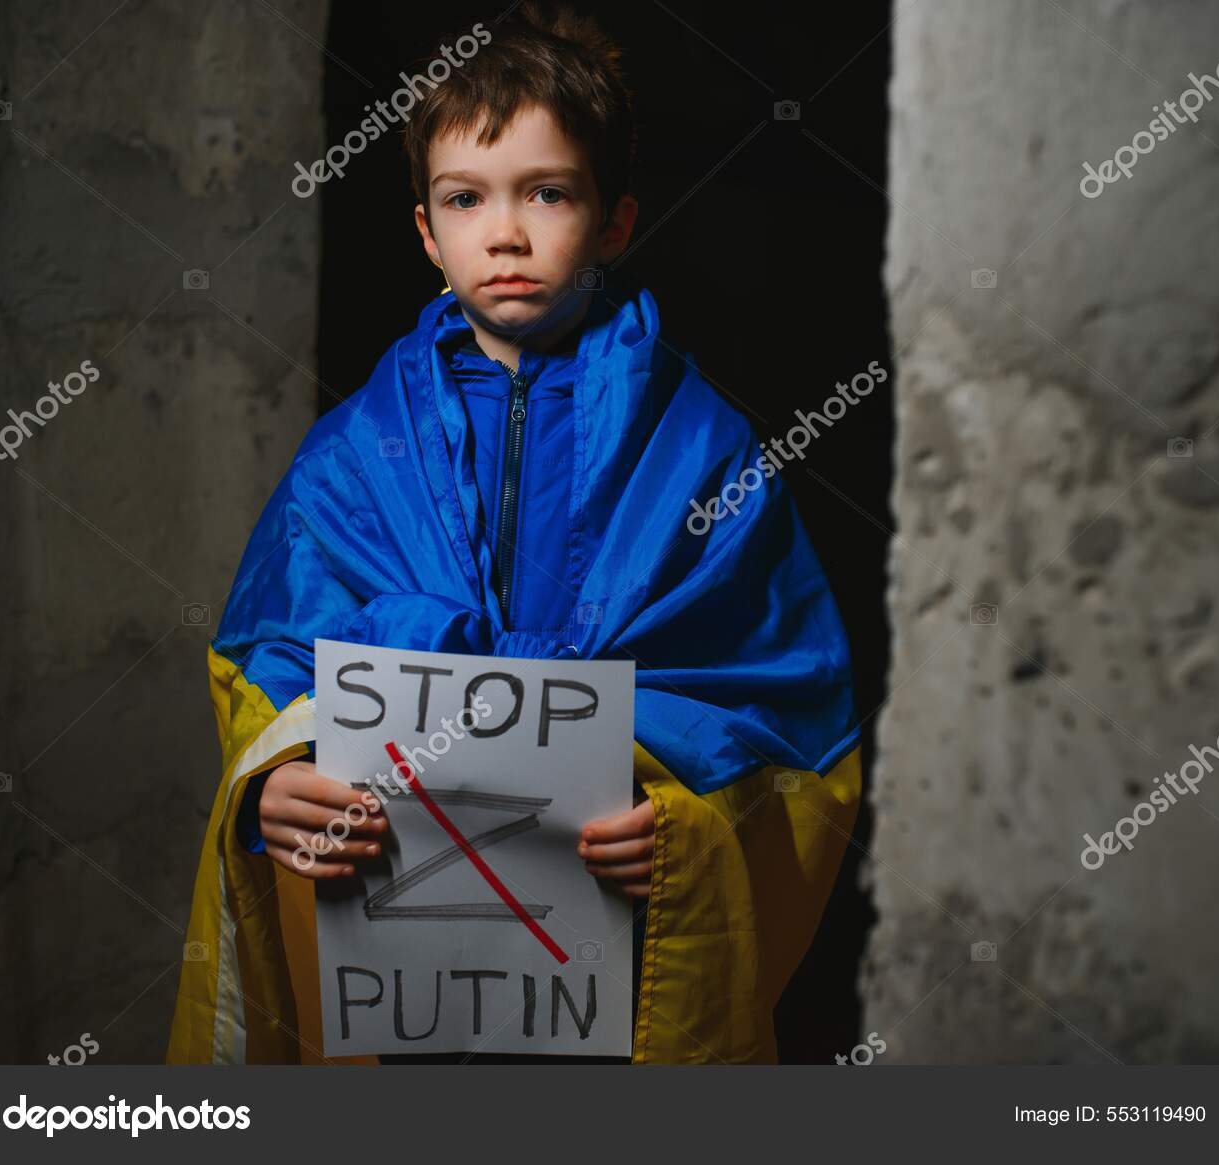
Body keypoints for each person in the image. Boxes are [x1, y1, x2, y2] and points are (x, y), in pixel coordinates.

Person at [167, 1, 860, 1065]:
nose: (505, 232)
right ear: (426, 232)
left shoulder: (703, 451)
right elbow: (272, 663)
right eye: (466, 197)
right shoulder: (352, 453)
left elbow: (789, 710)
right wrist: (275, 783)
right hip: (397, 978)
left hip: (618, 977)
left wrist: (685, 827)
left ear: (614, 222)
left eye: (548, 192)